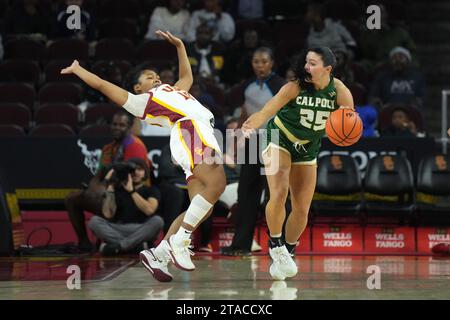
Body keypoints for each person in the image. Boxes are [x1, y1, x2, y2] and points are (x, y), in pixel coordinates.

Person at [61, 30, 226, 282]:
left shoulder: (172, 90)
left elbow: (186, 76)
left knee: (200, 206)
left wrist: (180, 46)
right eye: (149, 77)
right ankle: (180, 242)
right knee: (218, 183)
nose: (156, 77)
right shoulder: (143, 101)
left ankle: (158, 254)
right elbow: (104, 85)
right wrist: (79, 70)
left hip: (198, 135)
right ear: (138, 87)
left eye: (157, 75)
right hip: (190, 131)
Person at [242, 47, 354, 280]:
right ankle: (275, 245)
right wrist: (251, 123)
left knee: (302, 208)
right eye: (306, 62)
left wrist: (347, 132)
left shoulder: (341, 92)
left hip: (308, 146)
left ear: (328, 69)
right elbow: (267, 111)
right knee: (280, 191)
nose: (307, 67)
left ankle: (288, 251)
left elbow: (349, 123)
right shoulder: (294, 87)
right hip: (278, 138)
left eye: (313, 63)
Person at [221, 47, 285, 256]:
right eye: (256, 62)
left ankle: (279, 246)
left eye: (264, 61)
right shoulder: (247, 86)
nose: (260, 65)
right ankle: (240, 245)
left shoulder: (281, 86)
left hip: (274, 142)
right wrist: (238, 139)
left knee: (273, 196)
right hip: (252, 142)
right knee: (246, 193)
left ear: (272, 63)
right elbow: (244, 113)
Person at [65, 111, 150, 252]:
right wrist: (93, 188)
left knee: (104, 198)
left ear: (129, 128)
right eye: (115, 124)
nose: (117, 127)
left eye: (122, 125)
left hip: (131, 195)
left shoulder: (135, 145)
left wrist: (106, 187)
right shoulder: (108, 148)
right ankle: (84, 243)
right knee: (72, 198)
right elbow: (99, 174)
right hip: (109, 192)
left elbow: (135, 177)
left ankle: (118, 242)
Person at [88, 158, 164, 255]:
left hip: (141, 229)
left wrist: (131, 191)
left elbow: (149, 210)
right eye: (132, 170)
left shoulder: (152, 190)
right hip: (118, 228)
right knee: (94, 221)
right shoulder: (118, 189)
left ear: (145, 173)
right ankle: (136, 247)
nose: (136, 173)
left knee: (158, 221)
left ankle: (118, 247)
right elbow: (108, 214)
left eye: (140, 170)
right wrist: (110, 189)